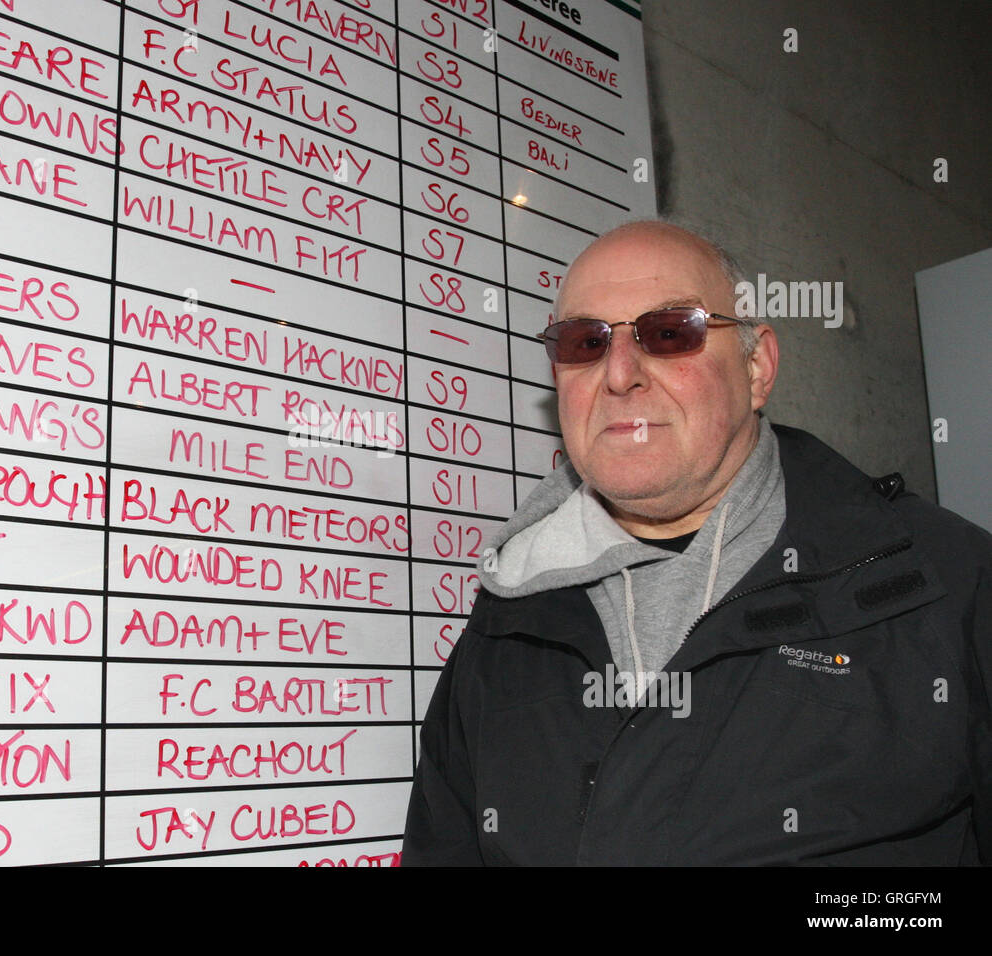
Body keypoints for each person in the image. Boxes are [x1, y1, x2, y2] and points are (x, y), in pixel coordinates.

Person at [401, 220, 992, 865]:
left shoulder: (948, 582)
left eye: (668, 332)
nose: (620, 373)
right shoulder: (501, 631)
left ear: (757, 366)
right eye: (583, 342)